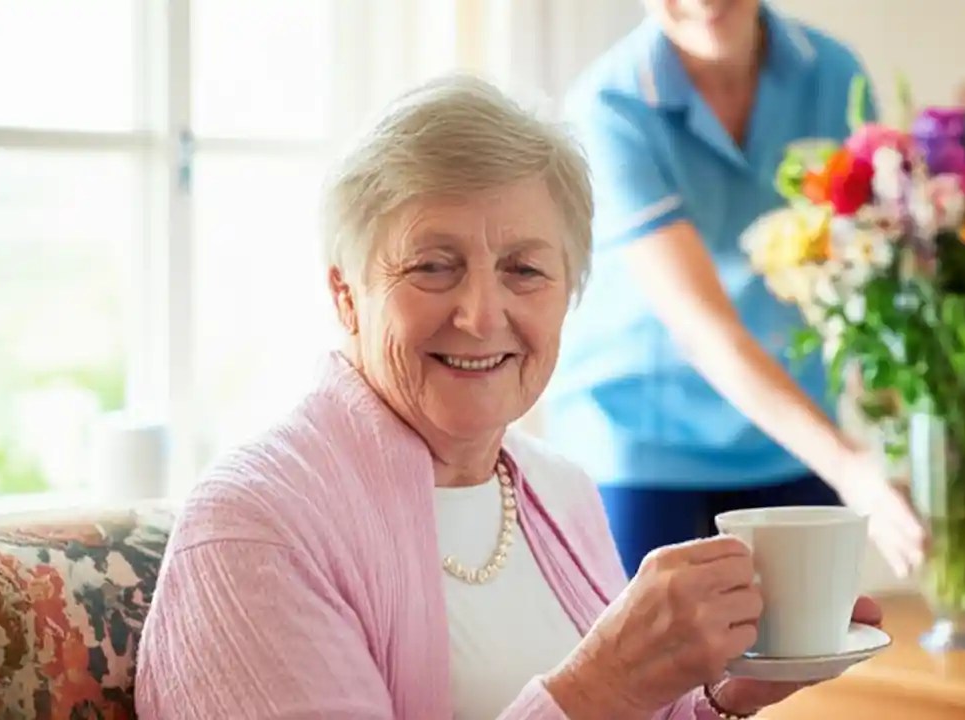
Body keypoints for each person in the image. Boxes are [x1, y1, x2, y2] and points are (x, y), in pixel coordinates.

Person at [135, 74, 882, 720]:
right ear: (346, 295)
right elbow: (593, 700)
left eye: (525, 270)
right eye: (433, 266)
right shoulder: (256, 525)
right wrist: (607, 683)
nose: (482, 315)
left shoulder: (559, 491)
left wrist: (717, 699)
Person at [541, 0, 925, 578]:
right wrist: (849, 466)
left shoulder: (834, 75)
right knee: (652, 662)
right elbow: (704, 330)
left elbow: (868, 269)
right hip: (642, 439)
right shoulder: (608, 107)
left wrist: (906, 426)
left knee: (802, 653)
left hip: (790, 429)